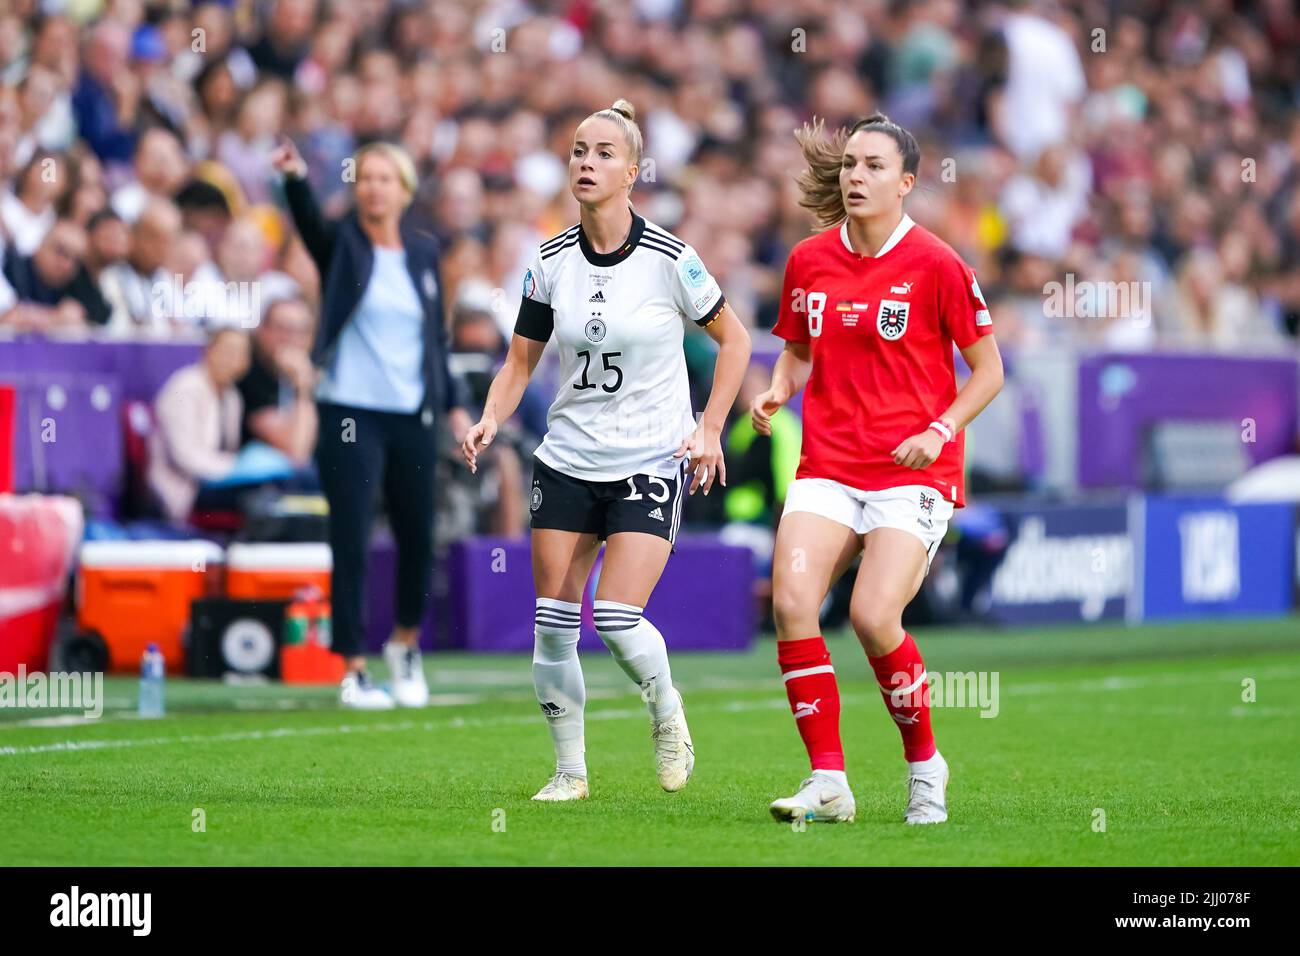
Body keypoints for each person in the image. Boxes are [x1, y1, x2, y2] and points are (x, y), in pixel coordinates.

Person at [462, 99, 752, 801]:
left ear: (631, 171)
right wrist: (490, 416)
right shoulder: (549, 260)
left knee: (618, 618)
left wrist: (708, 427)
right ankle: (569, 772)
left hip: (650, 457)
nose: (585, 164)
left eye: (601, 154)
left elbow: (735, 341)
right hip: (568, 456)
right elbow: (521, 362)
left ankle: (666, 710)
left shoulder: (669, 259)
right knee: (553, 624)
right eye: (577, 152)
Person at [753, 113, 1004, 825]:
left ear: (906, 182)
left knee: (871, 615)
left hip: (911, 469)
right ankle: (828, 780)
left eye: (871, 166)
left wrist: (940, 428)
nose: (855, 176)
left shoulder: (939, 264)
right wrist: (778, 387)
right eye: (849, 165)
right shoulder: (808, 260)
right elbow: (799, 348)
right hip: (829, 462)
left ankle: (925, 764)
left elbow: (989, 371)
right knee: (792, 602)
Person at [272, 137, 470, 711]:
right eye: (365, 178)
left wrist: (455, 402)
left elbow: (436, 339)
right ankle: (354, 669)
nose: (373, 188)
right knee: (352, 536)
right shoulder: (343, 245)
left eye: (385, 178)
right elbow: (311, 224)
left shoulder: (423, 253)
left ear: (404, 191)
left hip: (411, 413)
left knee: (418, 535)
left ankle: (405, 643)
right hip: (349, 412)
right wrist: (294, 179)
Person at [148, 327, 250, 522]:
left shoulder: (232, 397)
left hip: (217, 481)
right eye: (228, 352)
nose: (233, 361)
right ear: (208, 350)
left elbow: (228, 451)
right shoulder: (184, 387)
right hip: (185, 489)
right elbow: (185, 456)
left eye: (241, 355)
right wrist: (236, 468)